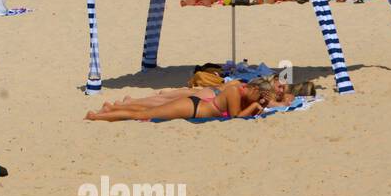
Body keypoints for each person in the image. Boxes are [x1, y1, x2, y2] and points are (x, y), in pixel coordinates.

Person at [86, 81, 270, 121]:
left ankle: (108, 111)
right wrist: (254, 105)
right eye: (258, 95)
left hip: (194, 105)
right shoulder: (234, 92)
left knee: (146, 110)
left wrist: (257, 104)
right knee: (142, 114)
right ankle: (96, 117)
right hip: (192, 108)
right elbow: (236, 117)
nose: (257, 98)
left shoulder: (237, 91)